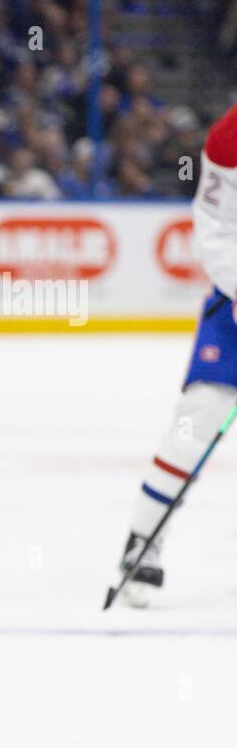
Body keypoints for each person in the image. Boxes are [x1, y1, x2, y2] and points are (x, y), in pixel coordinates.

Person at [113, 104, 237, 607]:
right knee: (197, 421)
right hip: (232, 311)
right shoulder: (229, 138)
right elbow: (214, 226)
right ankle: (143, 542)